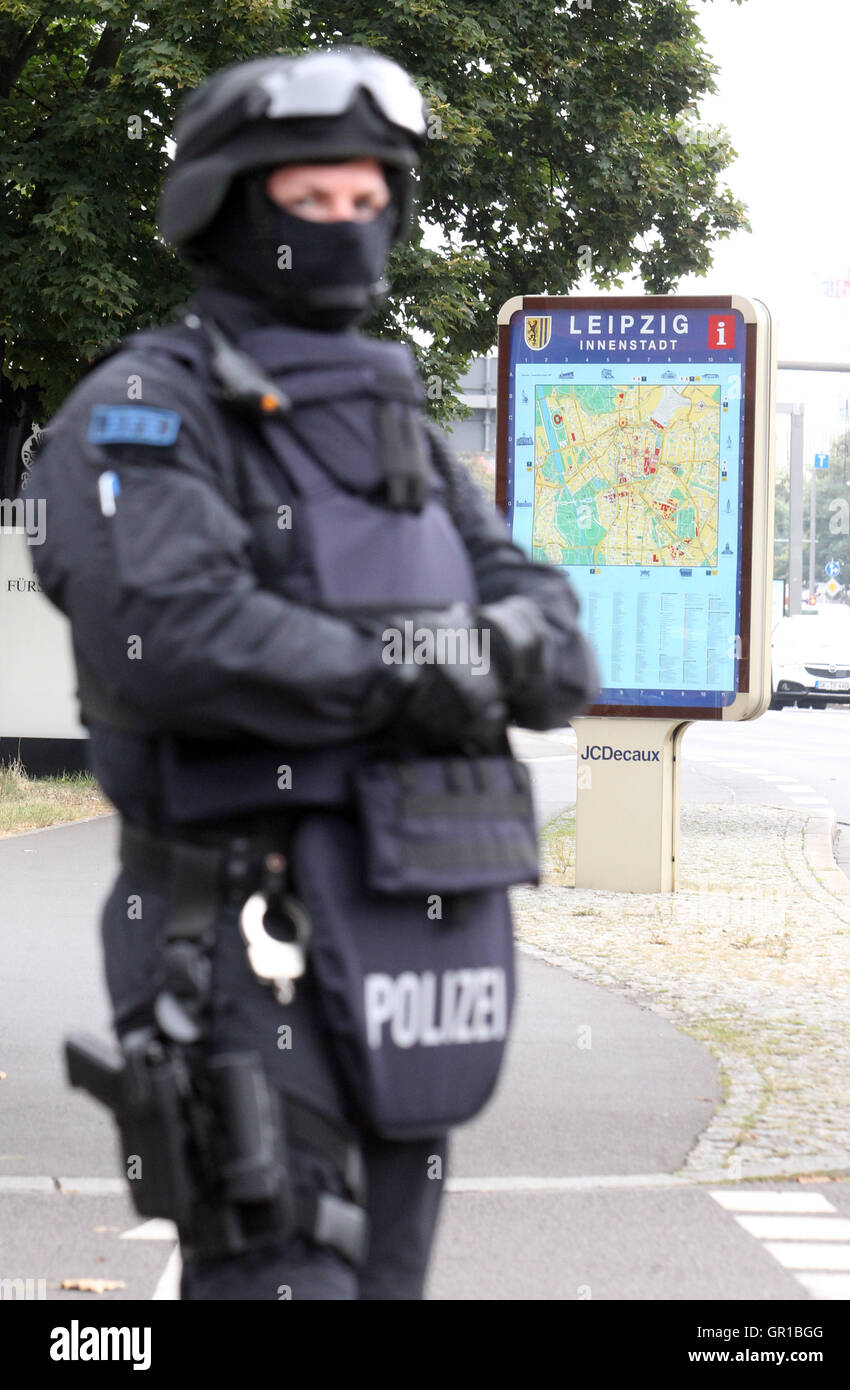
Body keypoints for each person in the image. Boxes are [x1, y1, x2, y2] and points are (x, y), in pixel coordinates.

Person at [30, 46, 599, 1301]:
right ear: (231, 206)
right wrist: (437, 664)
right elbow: (178, 641)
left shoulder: (397, 425)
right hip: (242, 935)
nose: (345, 228)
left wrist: (438, 658)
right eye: (309, 202)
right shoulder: (143, 411)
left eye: (365, 201)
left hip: (413, 921)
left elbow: (555, 639)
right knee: (286, 1277)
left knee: (383, 1278)